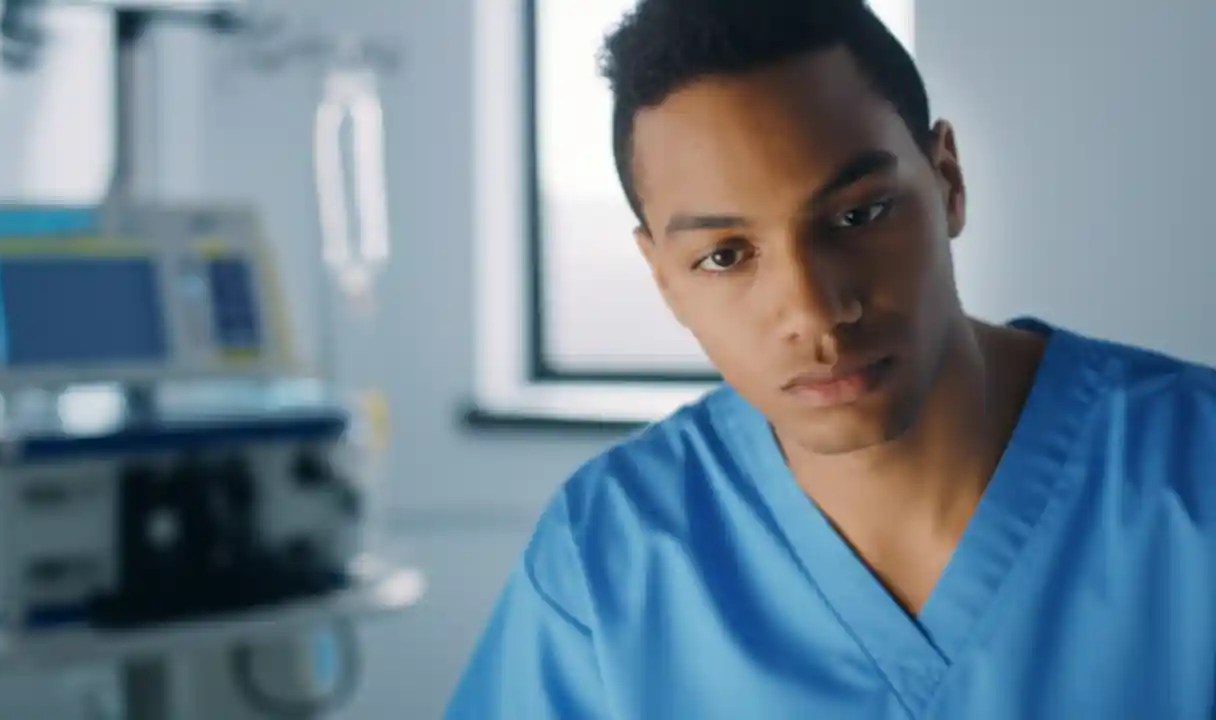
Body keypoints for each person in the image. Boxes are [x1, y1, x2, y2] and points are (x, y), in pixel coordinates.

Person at [447, 0, 1216, 717]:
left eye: (858, 215)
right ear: (662, 278)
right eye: (725, 256)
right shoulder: (606, 559)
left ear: (947, 178)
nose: (816, 312)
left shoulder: (1195, 475)